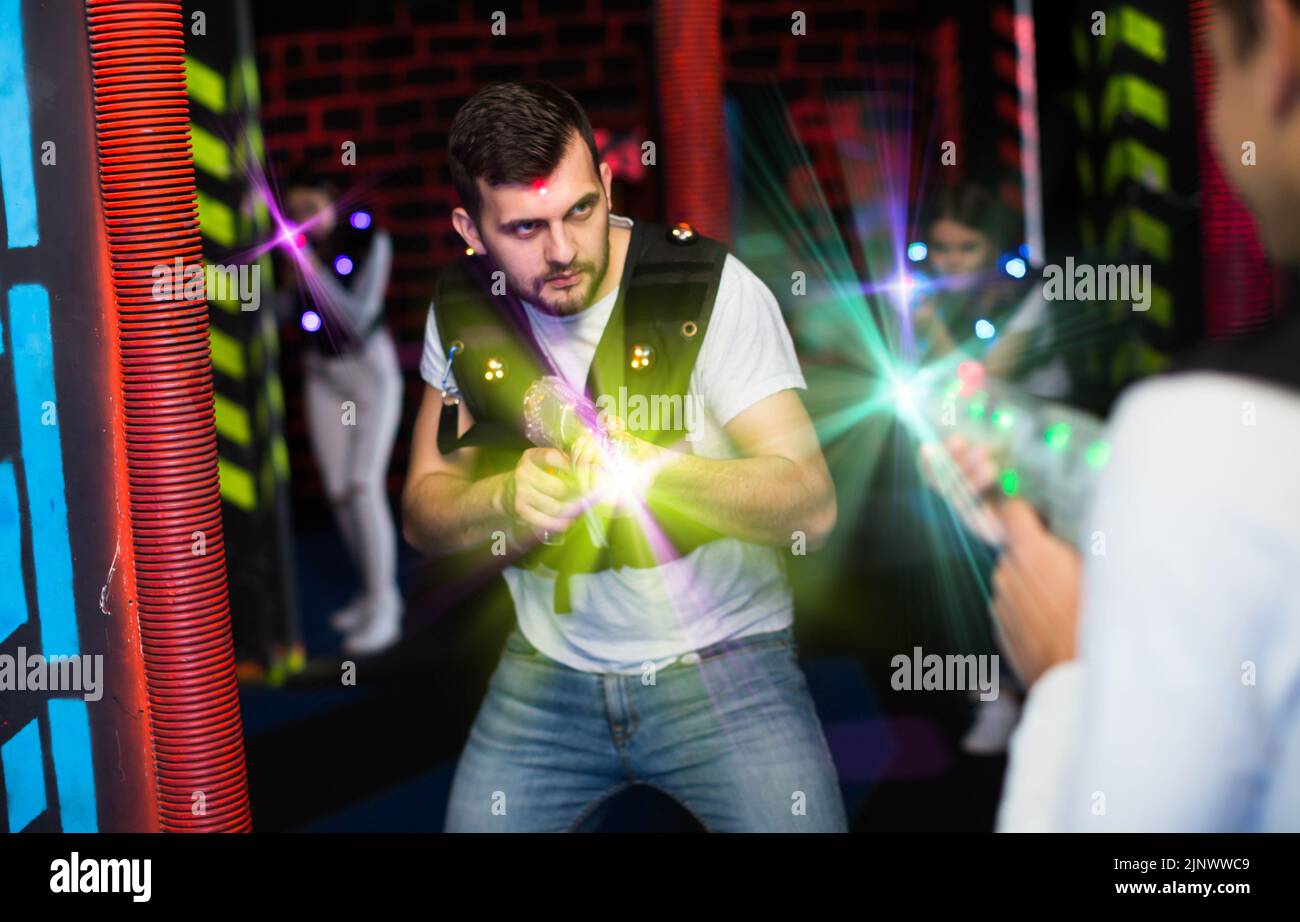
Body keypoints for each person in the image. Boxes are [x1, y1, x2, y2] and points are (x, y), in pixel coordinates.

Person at [401, 82, 846, 832]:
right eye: (524, 227)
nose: (563, 249)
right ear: (469, 230)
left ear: (608, 184)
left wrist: (654, 471)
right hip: (548, 670)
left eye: (581, 209)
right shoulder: (461, 308)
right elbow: (423, 510)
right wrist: (503, 500)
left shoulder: (709, 286)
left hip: (728, 661)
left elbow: (812, 505)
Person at [946, 0, 1300, 831]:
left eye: (1217, 62)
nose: (1215, 120)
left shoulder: (1205, 434)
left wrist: (1071, 670)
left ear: (1279, 47)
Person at [281, 175, 404, 656]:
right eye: (294, 210)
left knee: (361, 484)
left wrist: (308, 265)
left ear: (333, 202)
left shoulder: (367, 238)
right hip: (321, 374)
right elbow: (286, 315)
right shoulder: (295, 250)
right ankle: (369, 592)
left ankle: (386, 605)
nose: (303, 219)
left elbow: (354, 316)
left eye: (312, 206)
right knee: (337, 493)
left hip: (368, 374)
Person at [914, 182, 1071, 401]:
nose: (952, 261)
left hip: (1036, 405)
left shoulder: (1027, 290)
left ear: (995, 244)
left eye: (968, 247)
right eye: (940, 247)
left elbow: (983, 388)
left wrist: (932, 329)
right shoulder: (924, 289)